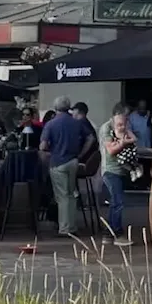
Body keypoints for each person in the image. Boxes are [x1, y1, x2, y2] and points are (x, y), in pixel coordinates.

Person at [40, 95, 84, 238]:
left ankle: (64, 228)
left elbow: (43, 145)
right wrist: (81, 154)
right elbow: (89, 138)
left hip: (58, 161)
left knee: (62, 196)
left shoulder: (51, 124)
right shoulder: (76, 123)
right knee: (71, 195)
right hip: (73, 161)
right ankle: (72, 226)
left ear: (55, 108)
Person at [100, 108, 137, 244]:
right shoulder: (106, 129)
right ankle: (117, 234)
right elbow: (110, 150)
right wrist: (124, 143)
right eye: (124, 119)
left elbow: (134, 139)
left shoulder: (124, 127)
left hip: (119, 169)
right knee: (118, 202)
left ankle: (108, 234)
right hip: (110, 170)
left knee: (115, 202)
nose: (125, 123)